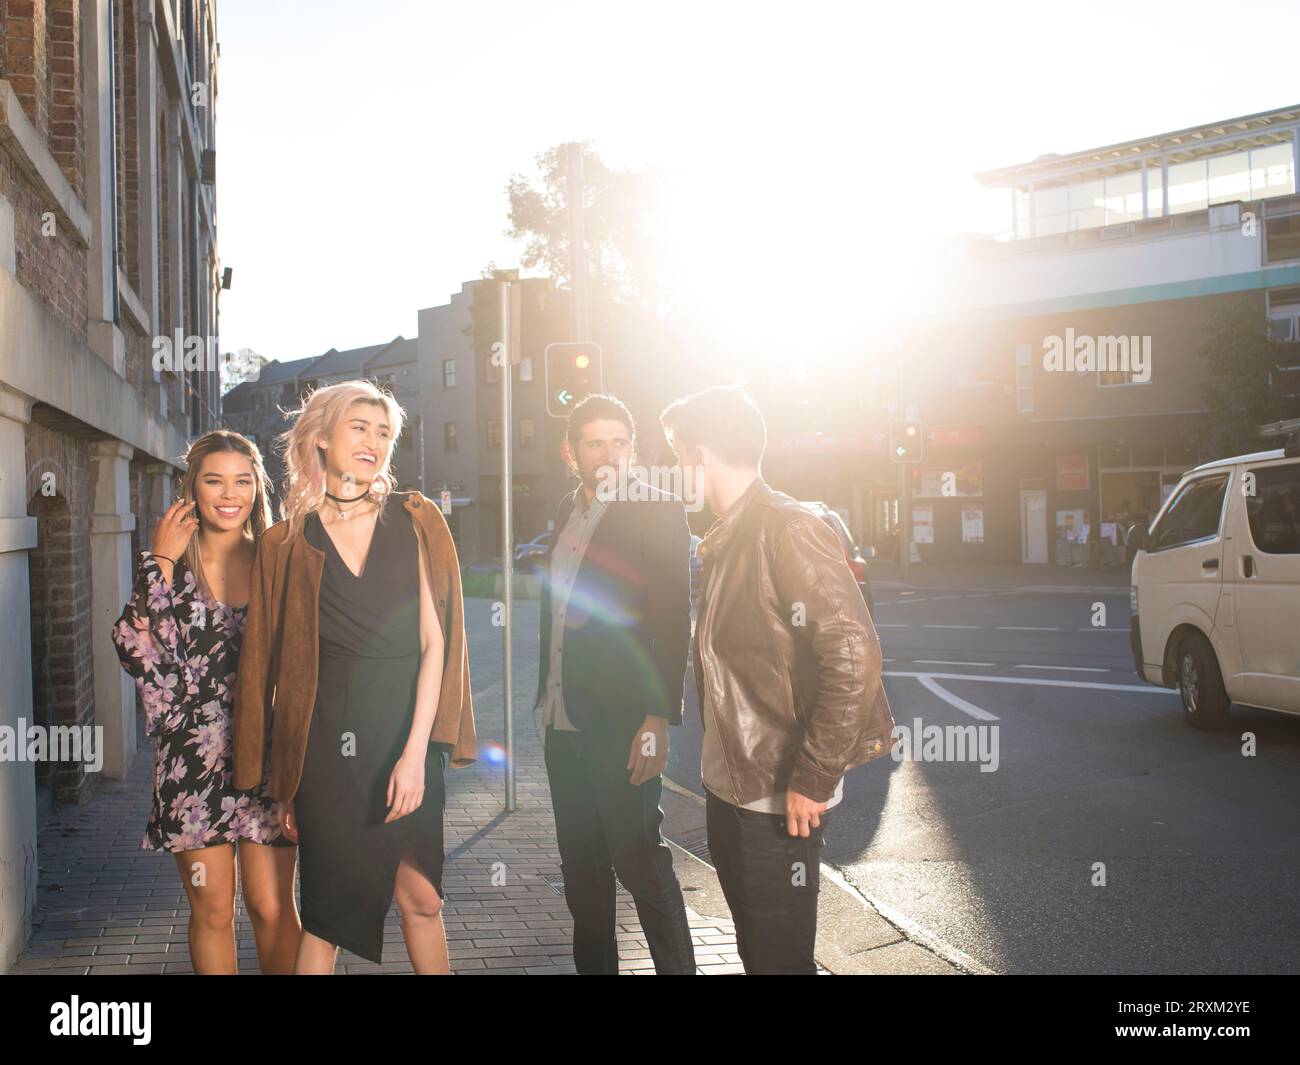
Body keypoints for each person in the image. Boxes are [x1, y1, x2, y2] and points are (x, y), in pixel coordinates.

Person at [232, 380, 477, 974]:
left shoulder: (417, 520)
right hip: (327, 749)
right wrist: (284, 780)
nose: (374, 443)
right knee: (327, 913)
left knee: (421, 897)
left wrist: (416, 754)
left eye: (385, 434)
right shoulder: (283, 543)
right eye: (360, 429)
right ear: (321, 437)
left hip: (405, 732)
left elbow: (433, 642)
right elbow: (267, 667)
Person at [660, 384, 895, 974]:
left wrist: (814, 777)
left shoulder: (785, 526)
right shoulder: (728, 533)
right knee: (760, 955)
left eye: (676, 456)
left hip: (777, 794)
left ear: (700, 457)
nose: (674, 470)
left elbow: (854, 654)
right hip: (733, 784)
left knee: (779, 963)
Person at [111, 429, 300, 974]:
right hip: (191, 767)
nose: (228, 493)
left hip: (265, 756)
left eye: (242, 481)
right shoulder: (170, 564)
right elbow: (137, 648)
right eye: (214, 480)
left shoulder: (276, 558)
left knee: (270, 907)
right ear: (192, 488)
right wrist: (160, 563)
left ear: (257, 489)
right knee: (213, 911)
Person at [533, 393, 697, 974]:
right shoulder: (565, 511)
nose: (609, 455)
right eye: (595, 443)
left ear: (634, 449)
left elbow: (672, 622)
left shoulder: (657, 509)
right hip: (562, 720)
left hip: (625, 721)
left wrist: (657, 719)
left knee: (639, 860)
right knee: (581, 868)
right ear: (570, 451)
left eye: (620, 443)